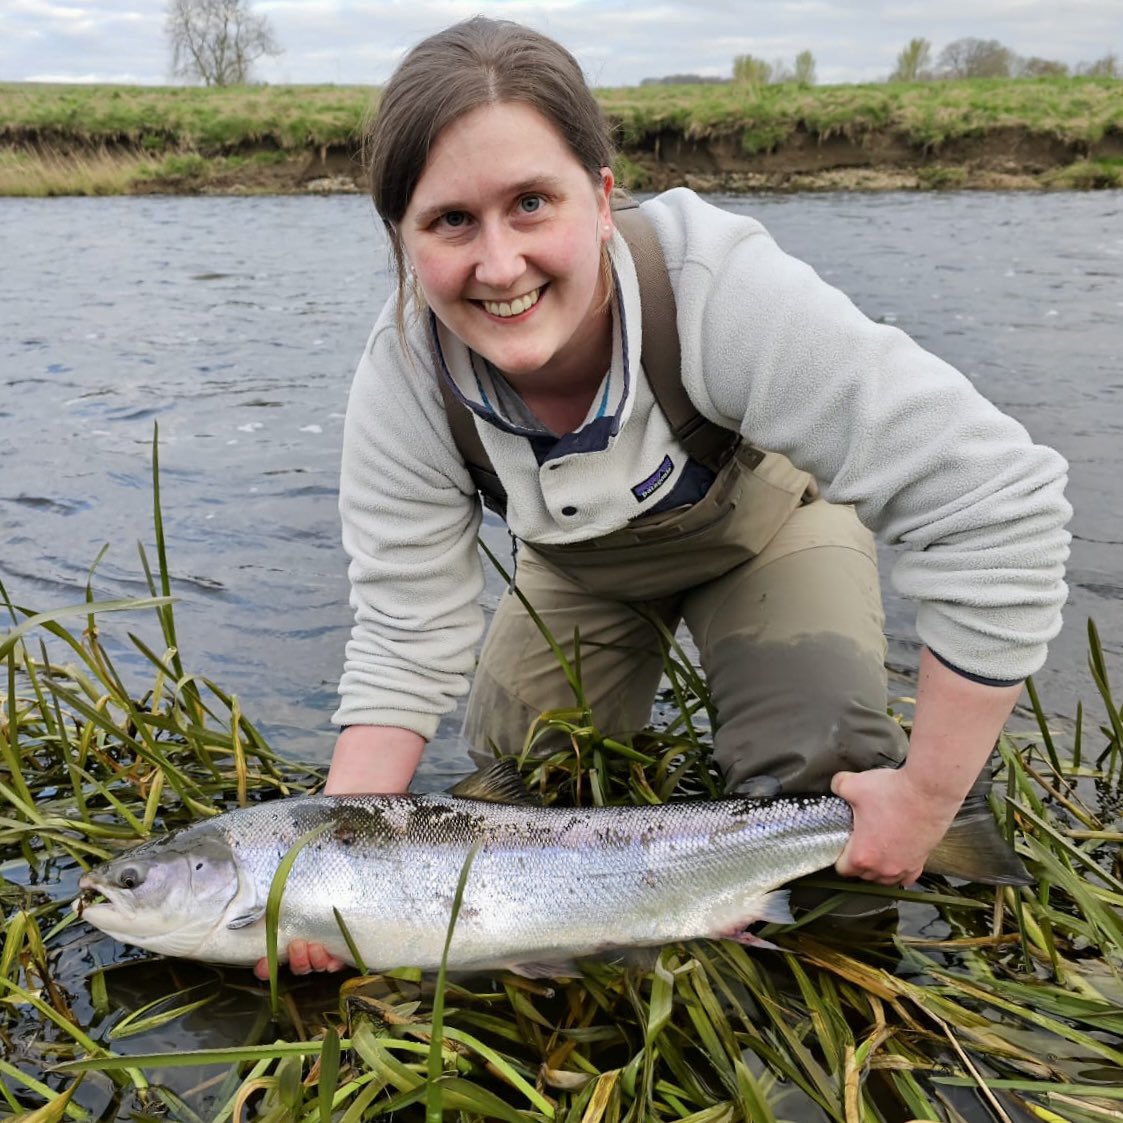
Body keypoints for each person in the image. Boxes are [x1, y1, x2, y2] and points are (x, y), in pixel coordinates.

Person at [254, 16, 1071, 979]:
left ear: (600, 197)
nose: (500, 265)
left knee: (825, 768)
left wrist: (930, 795)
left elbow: (995, 500)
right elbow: (402, 637)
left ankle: (825, 980)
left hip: (767, 537)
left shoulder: (718, 290)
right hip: (581, 570)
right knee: (523, 774)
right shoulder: (402, 382)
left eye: (530, 203)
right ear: (401, 236)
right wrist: (315, 883)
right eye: (449, 222)